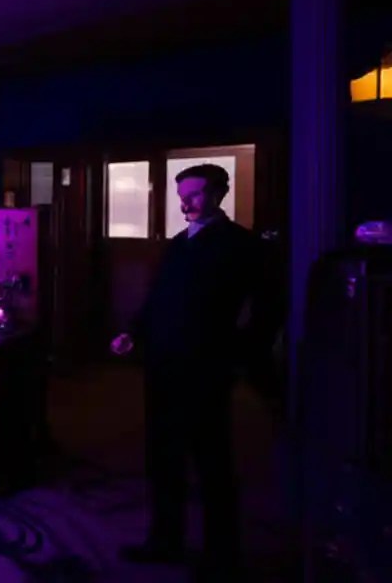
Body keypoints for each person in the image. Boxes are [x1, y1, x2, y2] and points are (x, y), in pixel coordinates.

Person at [110, 163, 280, 579]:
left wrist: (242, 351)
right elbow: (158, 298)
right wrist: (133, 331)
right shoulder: (178, 243)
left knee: (211, 461)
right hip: (163, 364)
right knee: (163, 457)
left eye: (195, 194)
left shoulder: (241, 245)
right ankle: (164, 540)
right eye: (182, 196)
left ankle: (222, 556)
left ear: (220, 193)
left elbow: (271, 305)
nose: (185, 203)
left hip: (206, 368)